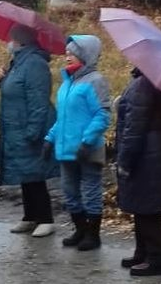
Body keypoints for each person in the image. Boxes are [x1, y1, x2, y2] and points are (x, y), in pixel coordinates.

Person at [43, 35, 111, 251]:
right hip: (66, 149)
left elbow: (102, 114)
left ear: (85, 55)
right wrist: (49, 139)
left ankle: (93, 235)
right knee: (69, 191)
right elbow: (63, 119)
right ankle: (80, 229)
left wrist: (87, 141)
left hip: (87, 150)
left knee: (90, 191)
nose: (67, 57)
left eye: (71, 53)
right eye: (66, 53)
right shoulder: (66, 84)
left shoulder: (95, 81)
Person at [115, 67, 161, 276]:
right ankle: (143, 252)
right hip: (156, 154)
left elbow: (135, 129)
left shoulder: (144, 84)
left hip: (146, 157)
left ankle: (157, 260)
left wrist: (125, 160)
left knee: (147, 209)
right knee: (142, 208)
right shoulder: (159, 81)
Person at [0, 24, 58, 237]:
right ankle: (30, 216)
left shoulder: (34, 63)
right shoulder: (18, 62)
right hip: (16, 125)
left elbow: (38, 100)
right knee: (25, 173)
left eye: (11, 38)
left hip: (29, 126)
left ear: (21, 41)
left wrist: (34, 130)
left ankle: (45, 218)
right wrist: (2, 80)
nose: (9, 43)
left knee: (35, 173)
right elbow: (14, 90)